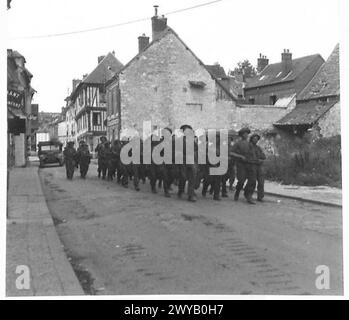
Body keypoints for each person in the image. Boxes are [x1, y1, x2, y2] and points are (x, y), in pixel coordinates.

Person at [230, 127, 256, 204]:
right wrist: (240, 156)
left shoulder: (250, 144)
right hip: (241, 164)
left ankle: (249, 196)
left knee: (252, 180)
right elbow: (231, 153)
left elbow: (253, 154)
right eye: (244, 134)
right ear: (241, 135)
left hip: (250, 164)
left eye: (247, 134)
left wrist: (254, 160)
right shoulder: (237, 143)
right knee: (241, 181)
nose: (246, 135)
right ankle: (237, 192)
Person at [249, 133, 266, 202]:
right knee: (252, 182)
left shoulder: (258, 148)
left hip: (259, 166)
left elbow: (263, 156)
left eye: (257, 139)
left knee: (261, 182)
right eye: (254, 139)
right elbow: (248, 157)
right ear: (251, 139)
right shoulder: (248, 147)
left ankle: (260, 196)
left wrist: (260, 159)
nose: (256, 140)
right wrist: (256, 159)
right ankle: (249, 196)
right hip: (252, 166)